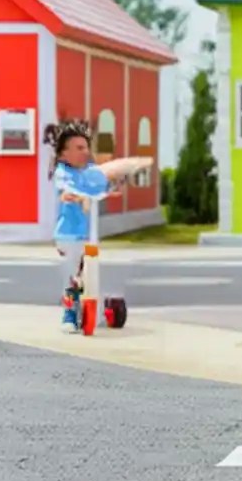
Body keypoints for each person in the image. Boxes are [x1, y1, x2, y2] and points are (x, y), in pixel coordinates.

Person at [48, 120, 151, 333]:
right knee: (74, 274)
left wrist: (131, 168)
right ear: (63, 154)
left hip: (89, 235)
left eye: (86, 147)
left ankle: (95, 305)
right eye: (78, 148)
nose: (85, 152)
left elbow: (108, 172)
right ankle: (69, 312)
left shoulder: (90, 171)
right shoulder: (63, 172)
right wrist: (72, 196)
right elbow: (65, 188)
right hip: (68, 235)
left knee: (90, 272)